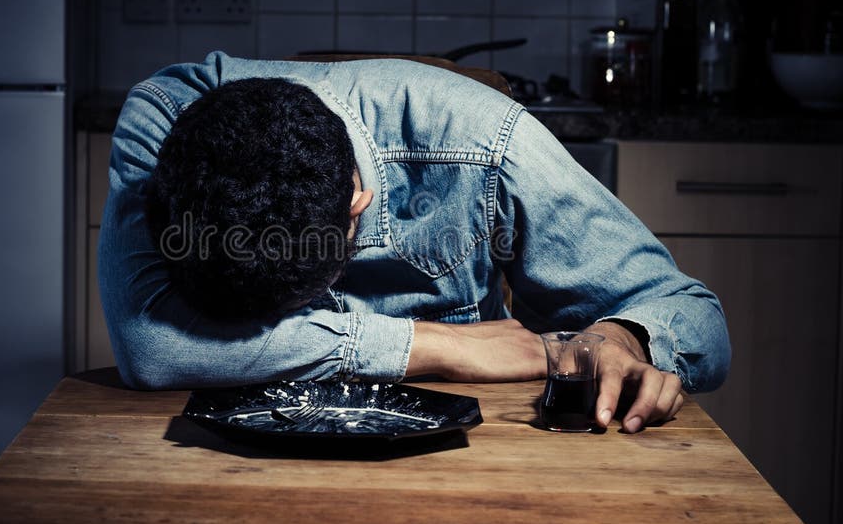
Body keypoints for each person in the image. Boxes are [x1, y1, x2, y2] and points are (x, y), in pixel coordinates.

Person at [99, 51, 731, 433]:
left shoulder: (487, 140)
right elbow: (152, 346)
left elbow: (695, 316)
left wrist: (624, 337)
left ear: (356, 200)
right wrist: (437, 345)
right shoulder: (162, 119)